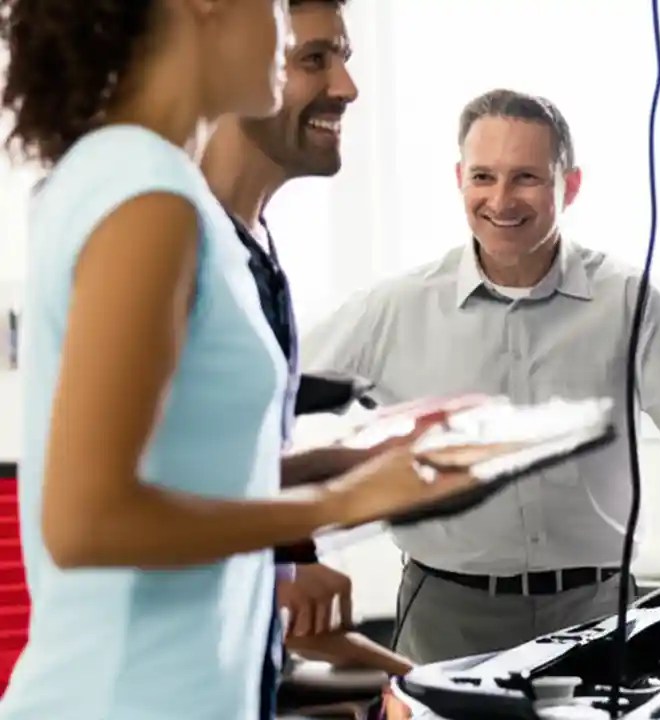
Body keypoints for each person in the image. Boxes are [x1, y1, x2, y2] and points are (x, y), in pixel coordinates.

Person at [0, 1, 478, 717]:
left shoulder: (138, 178)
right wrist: (342, 503)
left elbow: (174, 469)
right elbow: (86, 520)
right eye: (279, 14)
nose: (284, 35)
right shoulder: (146, 195)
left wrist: (351, 461)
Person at [302, 88, 660, 664]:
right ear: (459, 177)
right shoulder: (392, 309)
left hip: (598, 610)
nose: (501, 200)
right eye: (483, 177)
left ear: (571, 185)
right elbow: (270, 409)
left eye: (526, 178)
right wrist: (294, 555)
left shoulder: (629, 302)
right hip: (447, 612)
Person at [196, 0, 415, 708]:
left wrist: (420, 686)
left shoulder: (257, 253)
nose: (347, 86)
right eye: (314, 58)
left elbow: (284, 591)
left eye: (345, 56)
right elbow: (103, 520)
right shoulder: (174, 247)